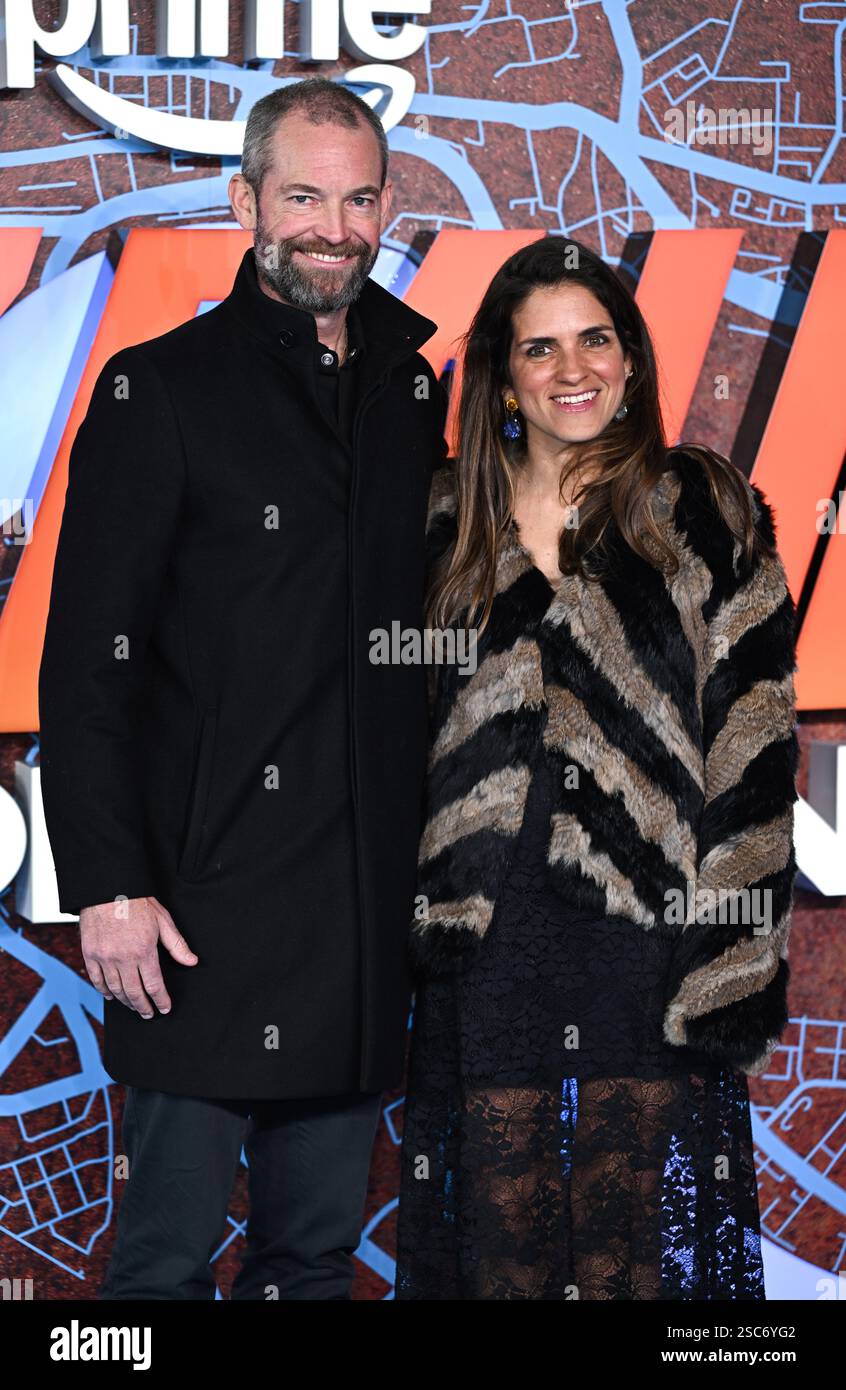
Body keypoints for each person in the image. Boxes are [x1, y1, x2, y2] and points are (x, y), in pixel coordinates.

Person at [38, 76, 448, 1300]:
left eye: (360, 197)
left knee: (314, 1262)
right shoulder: (154, 388)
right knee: (158, 1268)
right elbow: (85, 661)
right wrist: (107, 885)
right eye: (305, 195)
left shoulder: (415, 391)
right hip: (193, 920)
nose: (333, 225)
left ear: (387, 207)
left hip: (360, 923)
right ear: (245, 202)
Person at [395, 236, 798, 1300]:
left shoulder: (705, 508)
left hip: (644, 939)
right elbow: (380, 736)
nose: (574, 370)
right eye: (541, 349)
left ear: (631, 361)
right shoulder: (436, 521)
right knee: (499, 1248)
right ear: (503, 376)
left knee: (629, 1262)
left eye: (596, 340)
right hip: (484, 935)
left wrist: (730, 961)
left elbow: (754, 746)